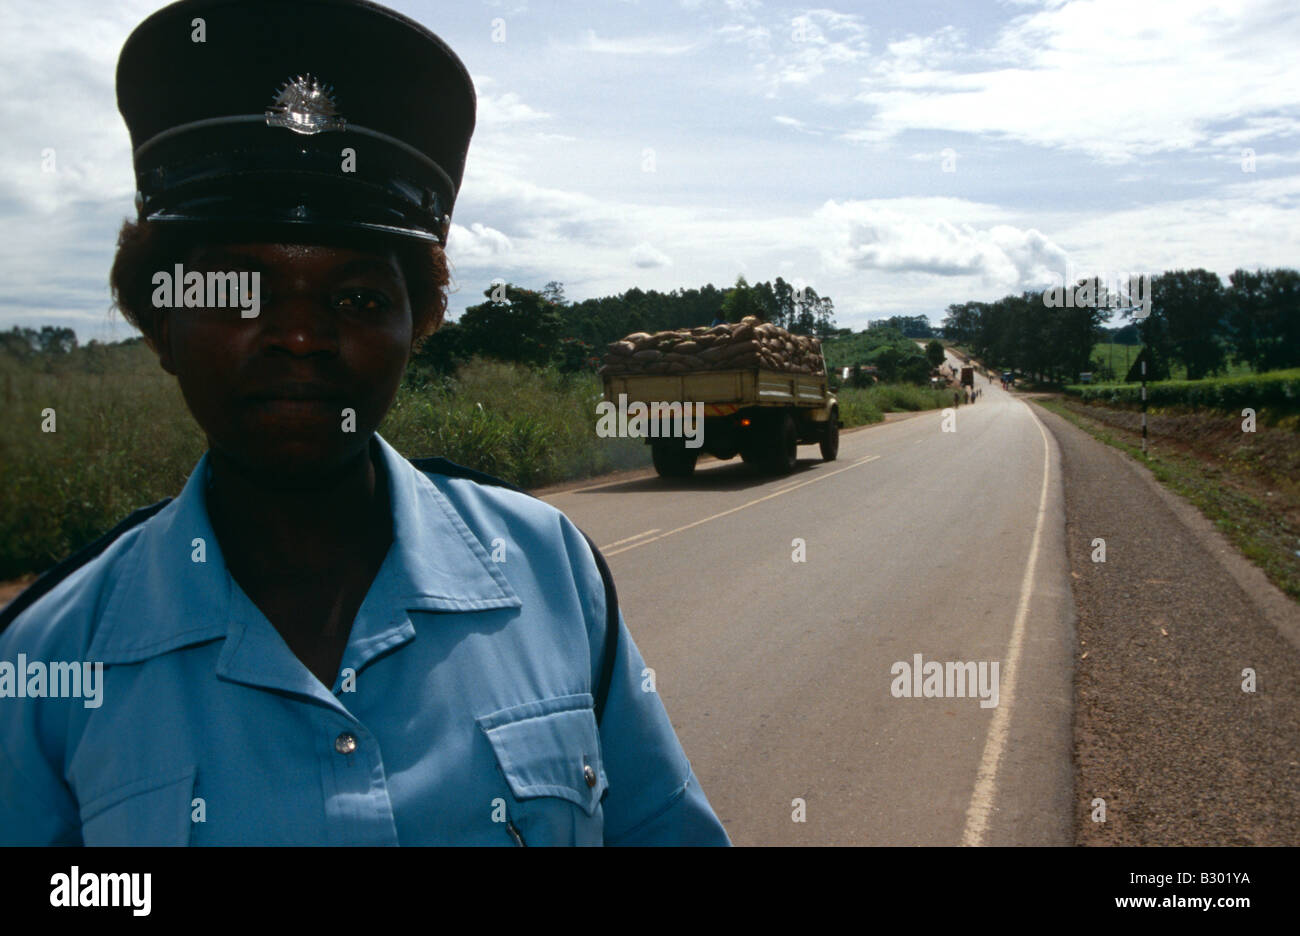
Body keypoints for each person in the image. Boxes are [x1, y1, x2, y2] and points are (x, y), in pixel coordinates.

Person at [0, 0, 728, 847]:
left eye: (357, 298)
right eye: (238, 290)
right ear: (163, 327)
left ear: (413, 327)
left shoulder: (549, 568)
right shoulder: (46, 660)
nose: (301, 335)